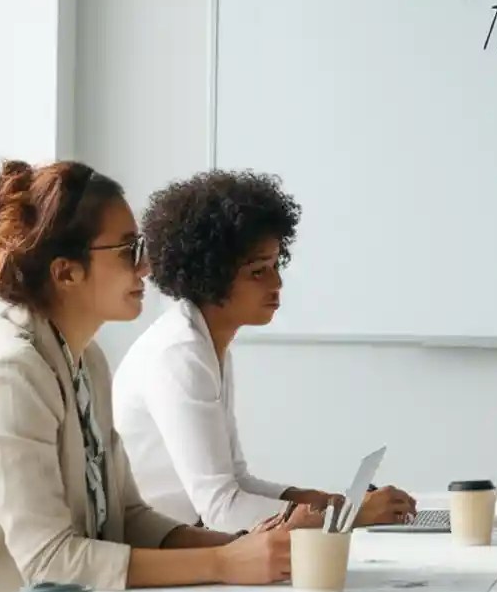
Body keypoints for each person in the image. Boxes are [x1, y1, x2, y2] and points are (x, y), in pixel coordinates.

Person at [0, 160, 294, 592]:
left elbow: (126, 518)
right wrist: (223, 561)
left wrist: (244, 548)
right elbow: (50, 561)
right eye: (129, 250)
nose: (147, 267)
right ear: (66, 273)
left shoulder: (87, 359)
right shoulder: (8, 376)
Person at [113, 169, 416, 535]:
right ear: (208, 276)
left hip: (187, 536)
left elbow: (238, 480)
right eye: (258, 272)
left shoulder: (207, 343)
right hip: (163, 549)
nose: (277, 284)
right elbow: (222, 509)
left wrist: (322, 501)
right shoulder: (180, 355)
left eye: (275, 266)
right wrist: (353, 515)